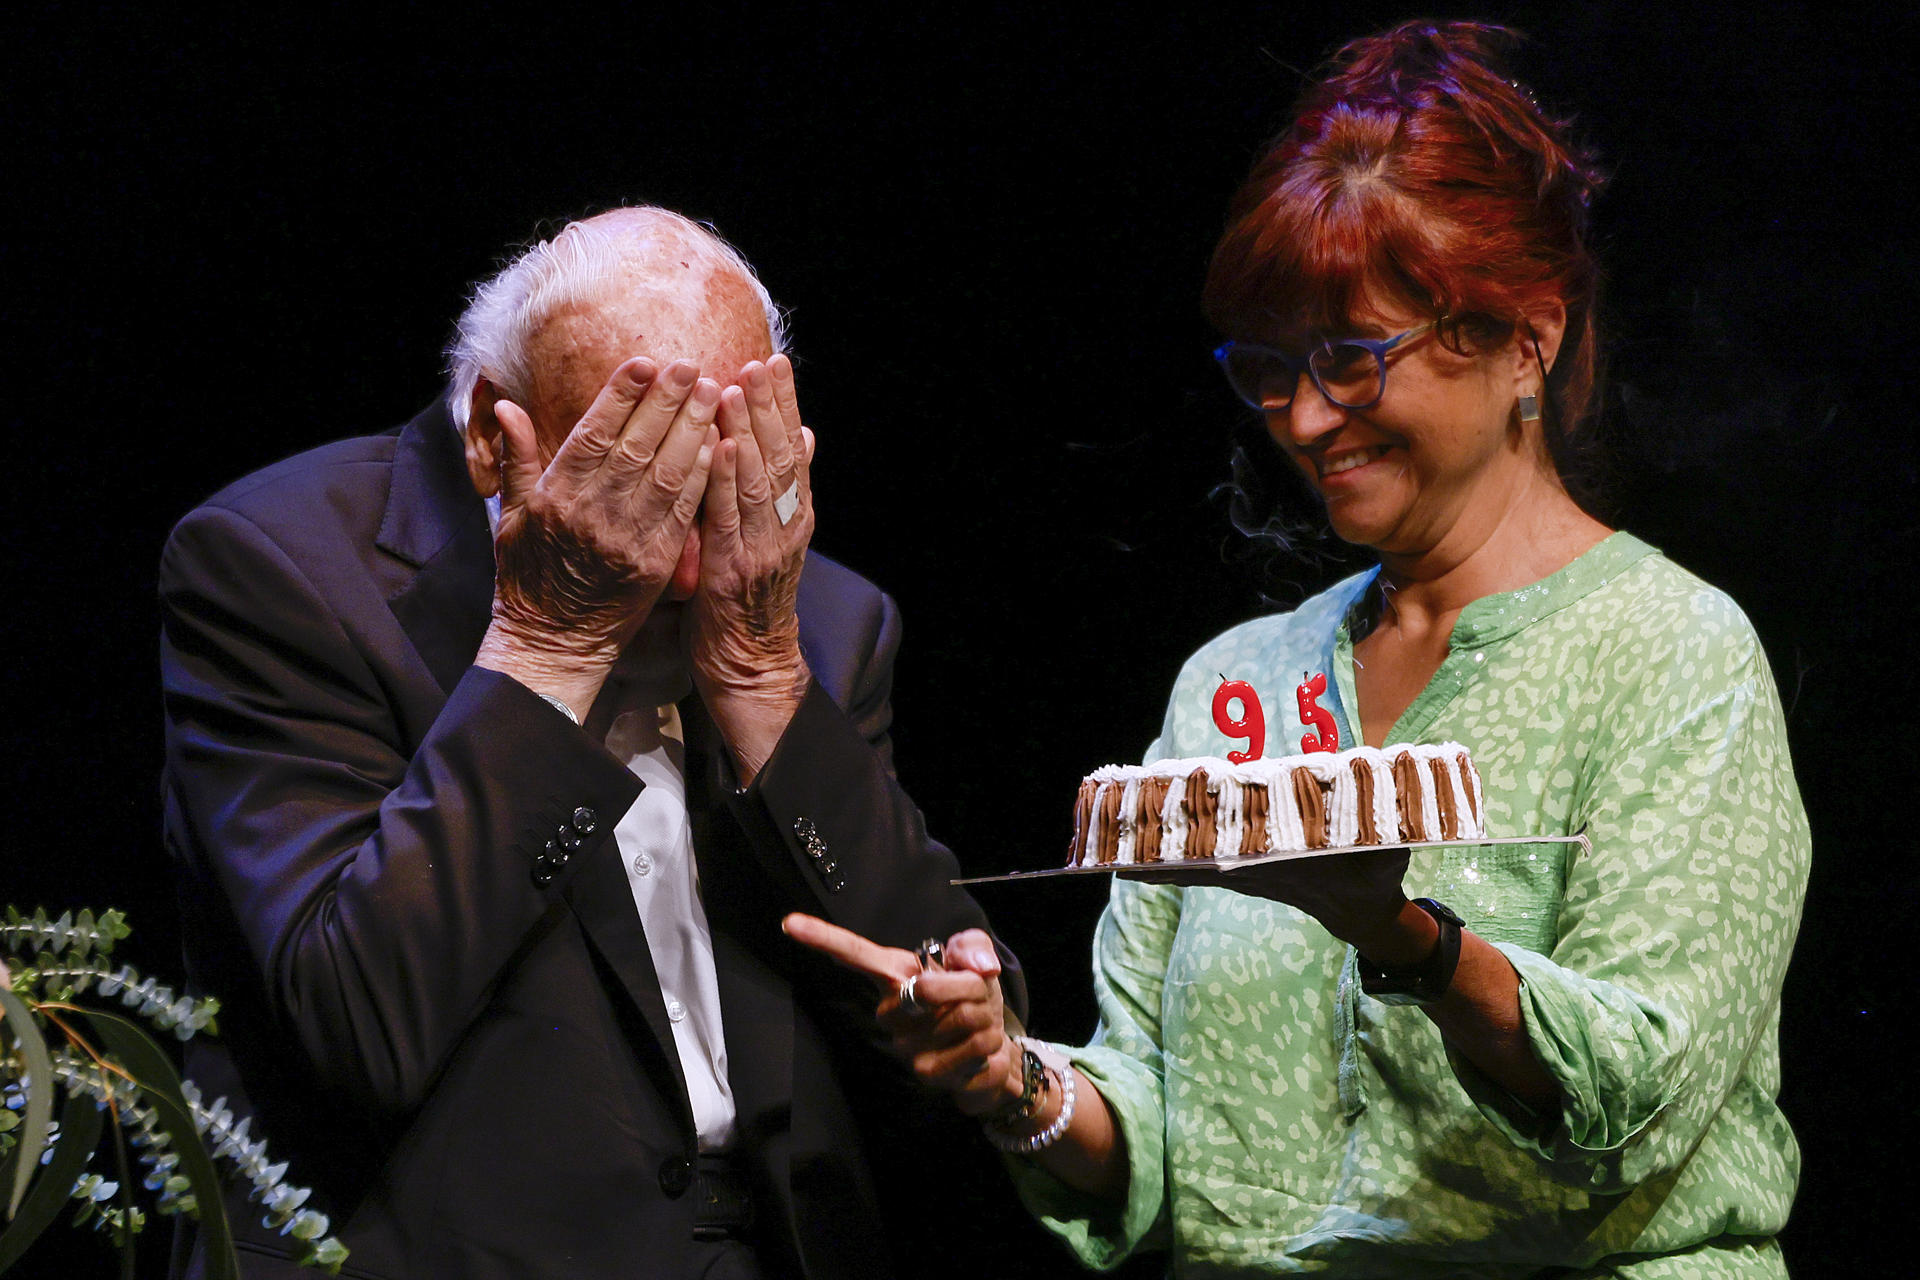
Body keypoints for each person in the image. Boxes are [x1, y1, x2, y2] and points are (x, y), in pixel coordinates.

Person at [788, 22, 1809, 1277]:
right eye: (1270, 369)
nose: (1307, 418)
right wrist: (1012, 1075)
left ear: (1524, 338)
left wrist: (1412, 941)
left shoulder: (1672, 655)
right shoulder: (1234, 685)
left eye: (1349, 358)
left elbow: (1644, 1096)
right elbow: (1160, 1134)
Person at [159, 205, 1024, 1279]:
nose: (695, 570)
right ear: (490, 430)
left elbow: (948, 999)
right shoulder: (283, 572)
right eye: (637, 486)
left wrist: (762, 681)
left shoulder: (821, 618)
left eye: (718, 489)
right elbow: (357, 1024)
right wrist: (549, 645)